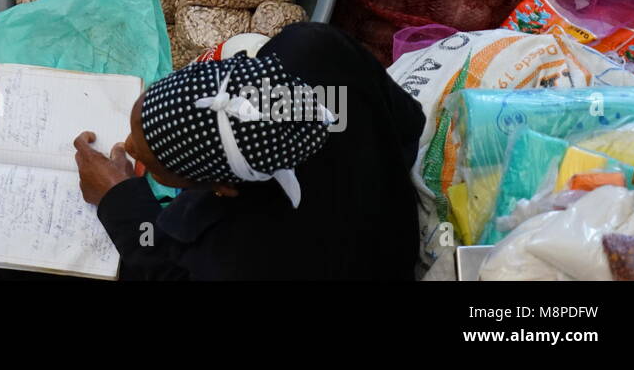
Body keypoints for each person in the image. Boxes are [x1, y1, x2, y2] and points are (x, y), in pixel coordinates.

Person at [73, 22, 424, 280]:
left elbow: (165, 271)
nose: (129, 146)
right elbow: (409, 124)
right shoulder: (313, 51)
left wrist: (117, 200)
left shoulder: (240, 260)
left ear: (223, 189)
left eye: (149, 160)